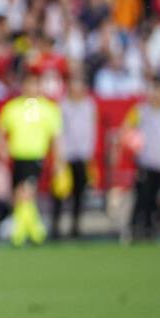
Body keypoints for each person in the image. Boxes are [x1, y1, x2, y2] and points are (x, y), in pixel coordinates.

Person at [0, 72, 62, 246]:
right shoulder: (13, 107)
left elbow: (55, 138)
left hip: (36, 156)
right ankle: (31, 231)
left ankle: (25, 233)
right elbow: (0, 131)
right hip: (17, 156)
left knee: (26, 192)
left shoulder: (48, 109)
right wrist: (2, 148)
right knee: (20, 194)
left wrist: (59, 162)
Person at [119, 78, 160, 240]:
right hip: (145, 160)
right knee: (142, 196)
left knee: (155, 197)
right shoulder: (140, 110)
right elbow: (125, 129)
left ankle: (150, 228)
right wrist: (133, 142)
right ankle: (135, 228)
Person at [53, 72, 97, 239]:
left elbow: (91, 130)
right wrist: (59, 155)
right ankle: (56, 227)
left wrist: (90, 152)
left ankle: (75, 227)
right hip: (66, 154)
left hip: (82, 154)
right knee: (60, 191)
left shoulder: (89, 105)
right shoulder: (63, 105)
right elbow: (59, 131)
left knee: (80, 192)